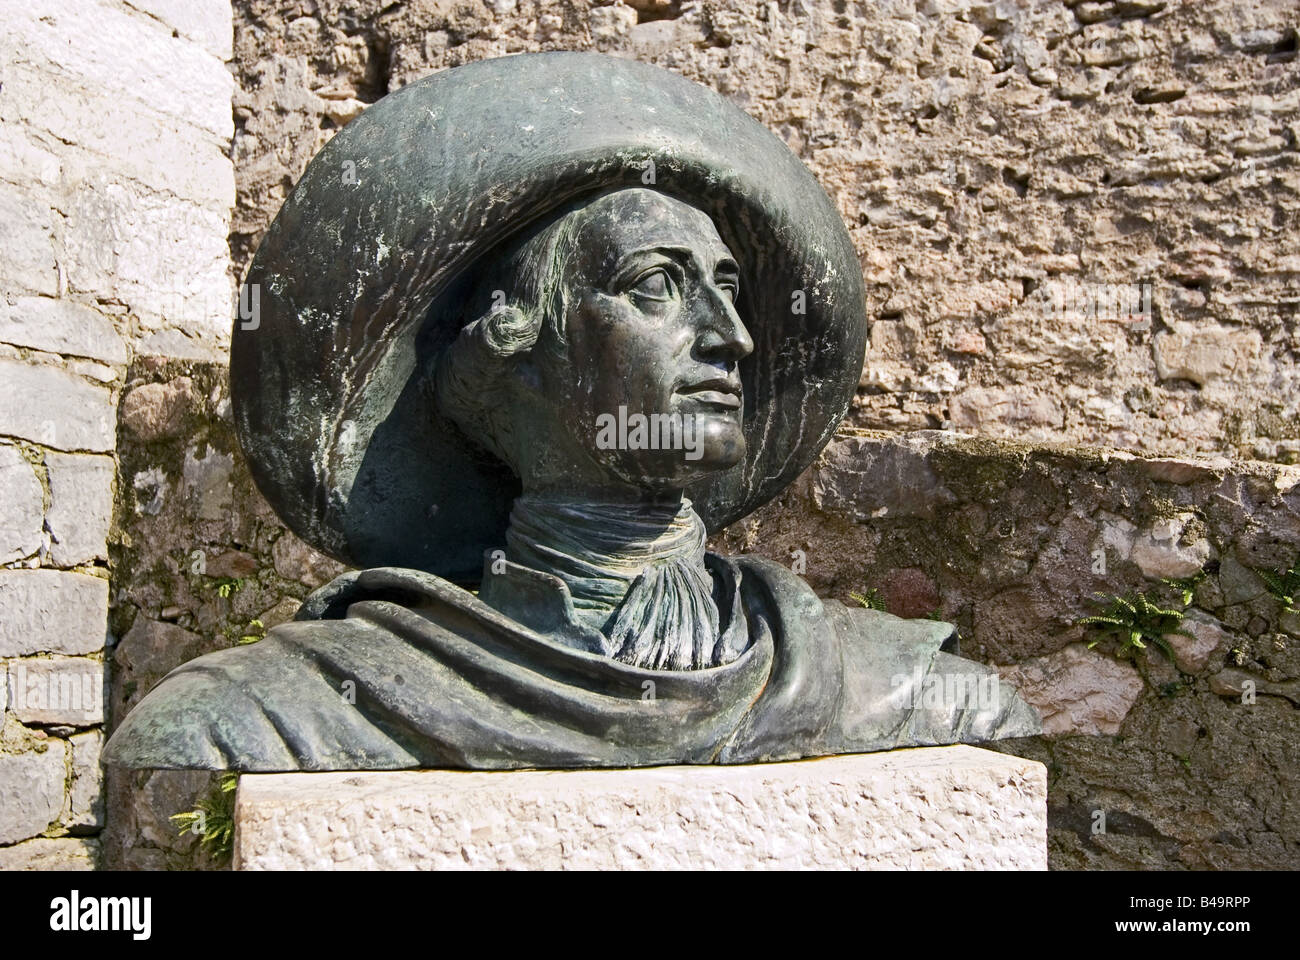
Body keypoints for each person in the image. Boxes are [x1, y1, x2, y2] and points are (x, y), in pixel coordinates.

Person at [104, 53, 1038, 772]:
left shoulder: (921, 700)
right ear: (514, 354)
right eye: (657, 286)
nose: (733, 339)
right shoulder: (264, 723)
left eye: (729, 289)